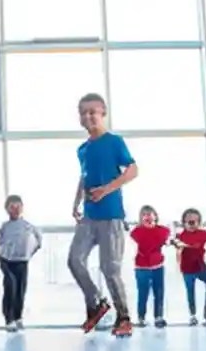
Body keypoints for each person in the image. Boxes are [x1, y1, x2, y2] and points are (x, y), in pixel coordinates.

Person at [68, 93, 137, 337]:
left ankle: (124, 317)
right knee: (75, 260)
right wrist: (76, 201)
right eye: (83, 112)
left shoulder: (114, 142)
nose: (87, 116)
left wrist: (106, 190)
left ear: (103, 113)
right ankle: (96, 303)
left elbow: (133, 170)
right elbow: (84, 176)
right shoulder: (82, 149)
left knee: (110, 269)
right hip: (89, 216)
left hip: (111, 216)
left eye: (92, 112)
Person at [0, 194, 41, 331]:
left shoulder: (28, 226)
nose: (15, 210)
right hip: (7, 261)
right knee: (10, 286)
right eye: (12, 207)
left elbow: (38, 240)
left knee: (21, 289)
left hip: (22, 261)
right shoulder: (5, 226)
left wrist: (29, 253)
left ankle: (18, 317)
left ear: (22, 208)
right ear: (7, 209)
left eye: (18, 206)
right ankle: (9, 318)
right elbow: (2, 242)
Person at [173, 208, 206, 327]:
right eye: (189, 221)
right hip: (187, 268)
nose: (191, 224)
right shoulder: (180, 235)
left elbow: (196, 245)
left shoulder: (203, 234)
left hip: (200, 265)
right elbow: (177, 245)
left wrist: (182, 244)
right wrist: (176, 242)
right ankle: (193, 315)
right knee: (190, 291)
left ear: (199, 222)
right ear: (184, 223)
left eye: (194, 221)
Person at [130, 205, 169, 328]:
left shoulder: (163, 230)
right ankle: (141, 317)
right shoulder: (137, 232)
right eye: (144, 214)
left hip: (158, 266)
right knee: (143, 293)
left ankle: (159, 317)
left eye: (149, 214)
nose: (147, 217)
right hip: (142, 267)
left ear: (155, 216)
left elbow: (167, 240)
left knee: (159, 292)